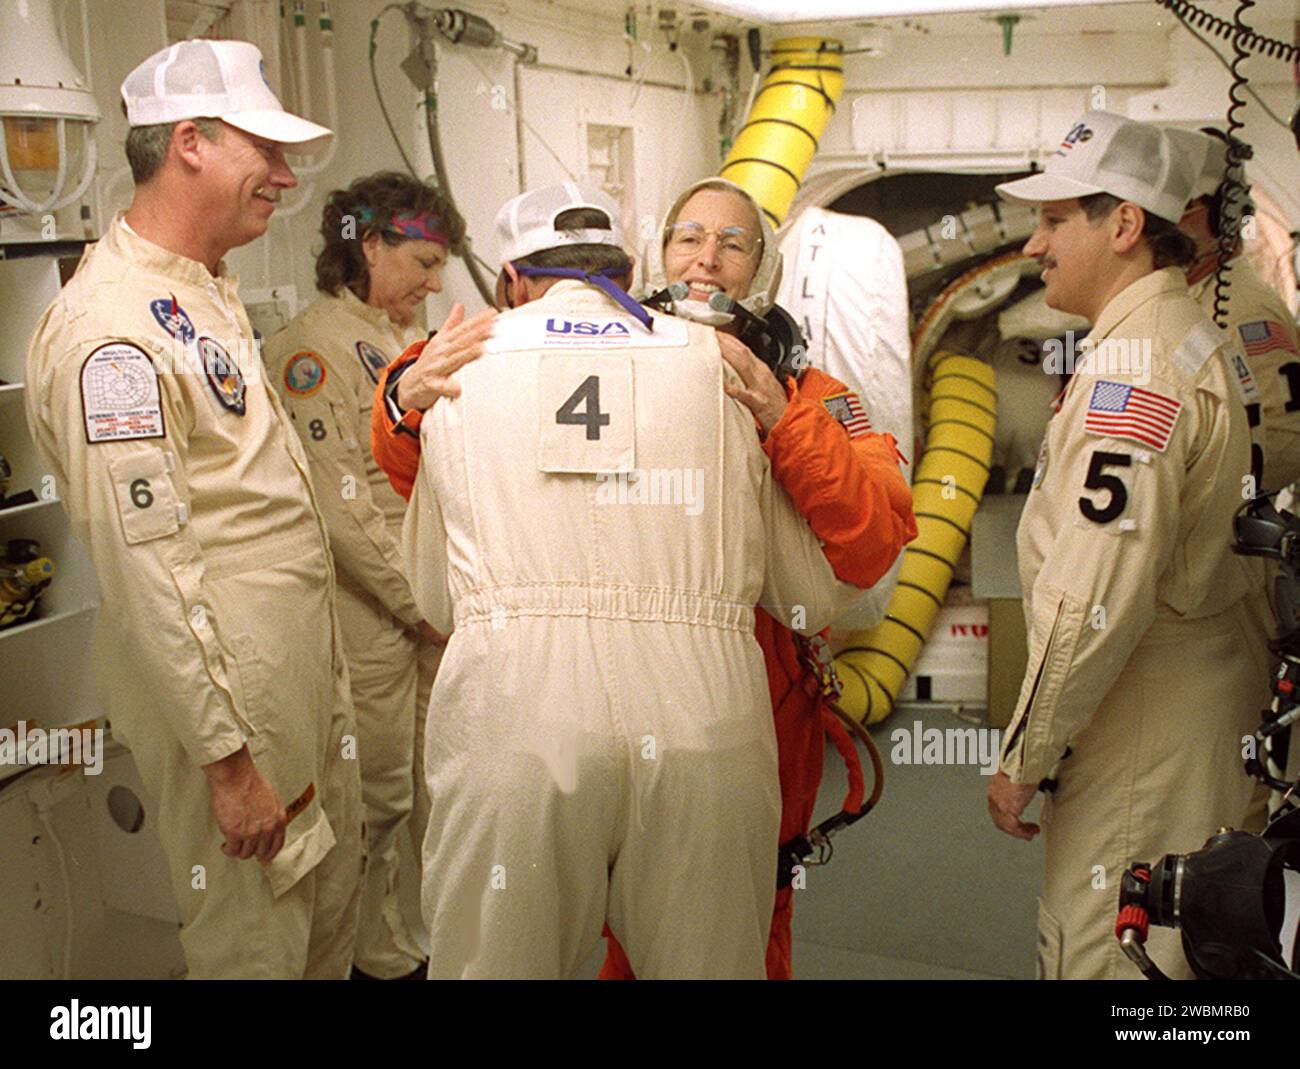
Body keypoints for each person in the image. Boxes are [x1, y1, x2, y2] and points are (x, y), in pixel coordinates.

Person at [371, 177, 917, 979]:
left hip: (545, 706)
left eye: (733, 244)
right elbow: (812, 591)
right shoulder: (713, 375)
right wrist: (398, 399)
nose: (708, 259)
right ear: (640, 264)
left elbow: (872, 537)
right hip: (710, 710)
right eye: (690, 238)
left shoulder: (791, 389)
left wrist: (786, 419)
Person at [25, 40, 362, 979]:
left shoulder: (200, 293)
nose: (287, 177)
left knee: (323, 923)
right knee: (254, 947)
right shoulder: (114, 333)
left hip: (288, 681)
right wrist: (227, 763)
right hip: (233, 709)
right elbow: (150, 564)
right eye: (267, 150)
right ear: (191, 144)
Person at [986, 111, 1266, 979]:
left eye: (1056, 219)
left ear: (1124, 225)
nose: (1035, 245)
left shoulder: (1133, 368)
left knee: (1113, 956)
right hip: (1188, 712)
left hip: (1143, 728)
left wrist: (1023, 756)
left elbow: (1093, 591)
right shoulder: (1175, 337)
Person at [263, 173, 490, 979]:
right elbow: (346, 507)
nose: (435, 282)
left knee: (439, 787)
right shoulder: (311, 350)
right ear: (369, 244)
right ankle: (376, 959)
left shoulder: (400, 340)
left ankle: (421, 943)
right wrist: (424, 604)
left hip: (429, 602)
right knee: (379, 797)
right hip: (372, 611)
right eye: (424, 262)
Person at [1178, 129, 1300, 491]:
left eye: (1183, 209)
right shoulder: (1190, 298)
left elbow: (1285, 441)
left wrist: (1190, 494)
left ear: (1225, 216)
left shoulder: (1244, 311)